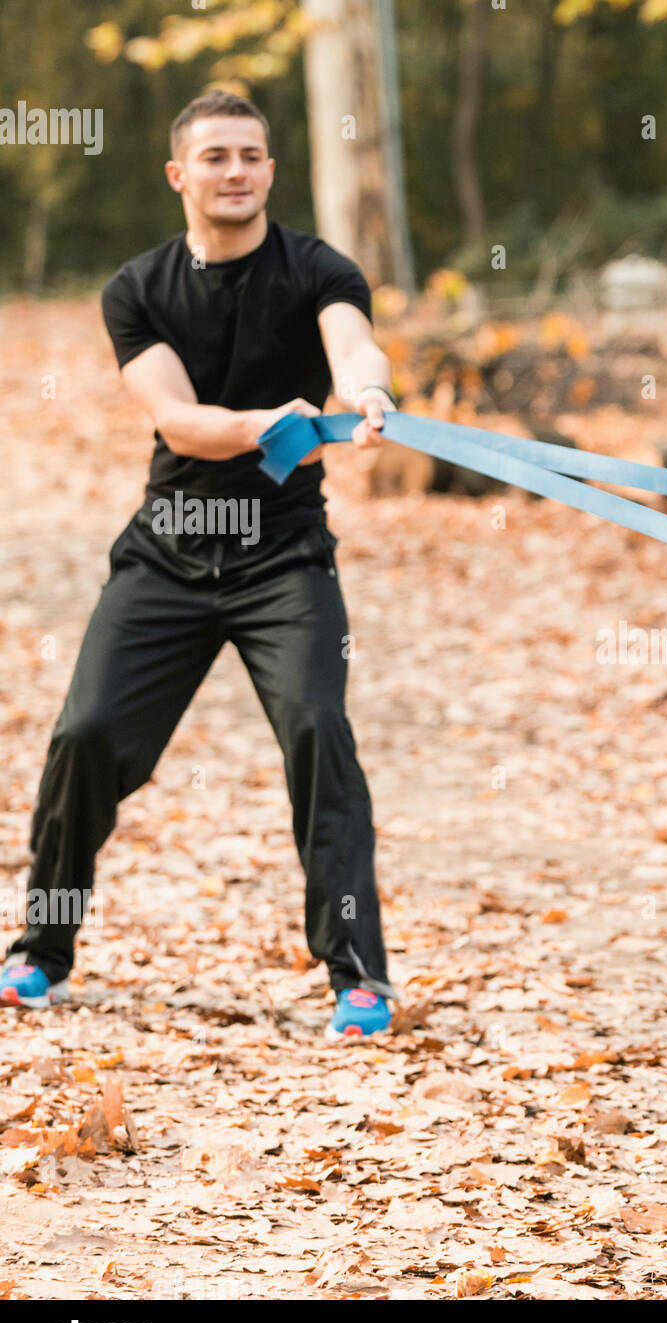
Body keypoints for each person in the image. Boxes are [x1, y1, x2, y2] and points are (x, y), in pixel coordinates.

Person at [0, 91, 398, 1042]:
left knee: (318, 730)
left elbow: (352, 340)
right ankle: (39, 951)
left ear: (270, 171)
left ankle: (357, 977)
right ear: (180, 174)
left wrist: (368, 389)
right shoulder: (136, 290)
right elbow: (179, 420)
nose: (236, 171)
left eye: (252, 156)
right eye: (216, 156)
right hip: (168, 553)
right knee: (86, 736)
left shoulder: (318, 269)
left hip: (286, 558)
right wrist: (272, 424)